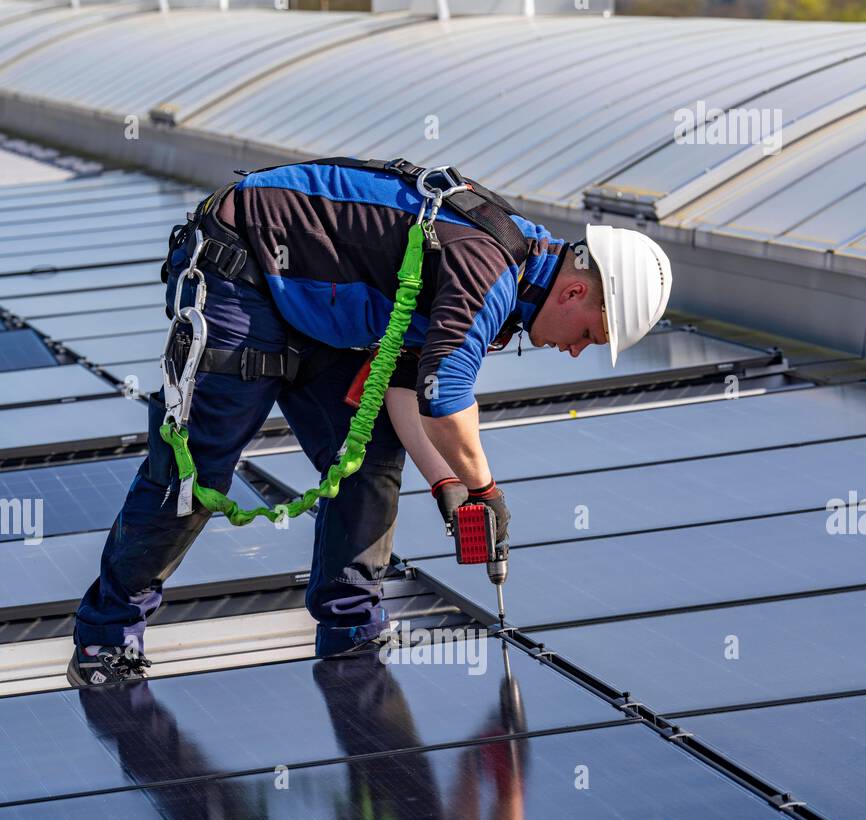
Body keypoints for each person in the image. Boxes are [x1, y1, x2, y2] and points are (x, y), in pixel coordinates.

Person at [68, 159, 671, 688]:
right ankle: (106, 638)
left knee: (367, 457)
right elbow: (446, 396)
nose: (576, 351)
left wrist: (449, 486)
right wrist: (486, 491)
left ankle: (350, 627)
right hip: (241, 265)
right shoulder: (489, 269)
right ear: (573, 292)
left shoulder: (510, 274)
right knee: (195, 469)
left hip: (313, 304)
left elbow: (408, 386)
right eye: (590, 335)